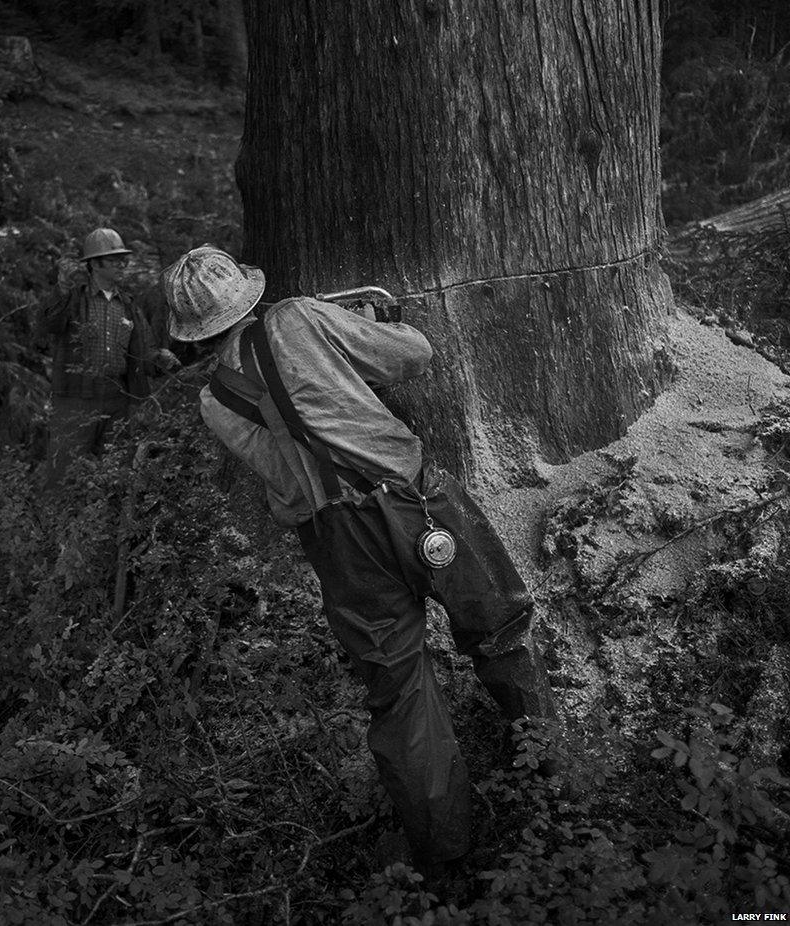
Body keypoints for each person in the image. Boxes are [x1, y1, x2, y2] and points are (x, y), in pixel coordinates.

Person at [160, 244, 558, 874]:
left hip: (336, 543)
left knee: (399, 695)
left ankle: (448, 865)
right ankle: (557, 787)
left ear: (194, 332)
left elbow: (279, 472)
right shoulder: (296, 318)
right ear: (245, 293)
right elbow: (413, 355)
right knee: (500, 631)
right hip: (411, 501)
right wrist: (371, 327)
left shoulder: (212, 401)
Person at [39, 227, 178, 486]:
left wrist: (162, 358)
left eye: (122, 259)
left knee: (116, 474)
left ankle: (108, 523)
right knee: (63, 474)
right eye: (114, 260)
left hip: (117, 400)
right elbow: (48, 324)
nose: (122, 265)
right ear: (95, 264)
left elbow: (143, 351)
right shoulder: (73, 299)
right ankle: (56, 524)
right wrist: (61, 287)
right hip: (74, 399)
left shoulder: (128, 305)